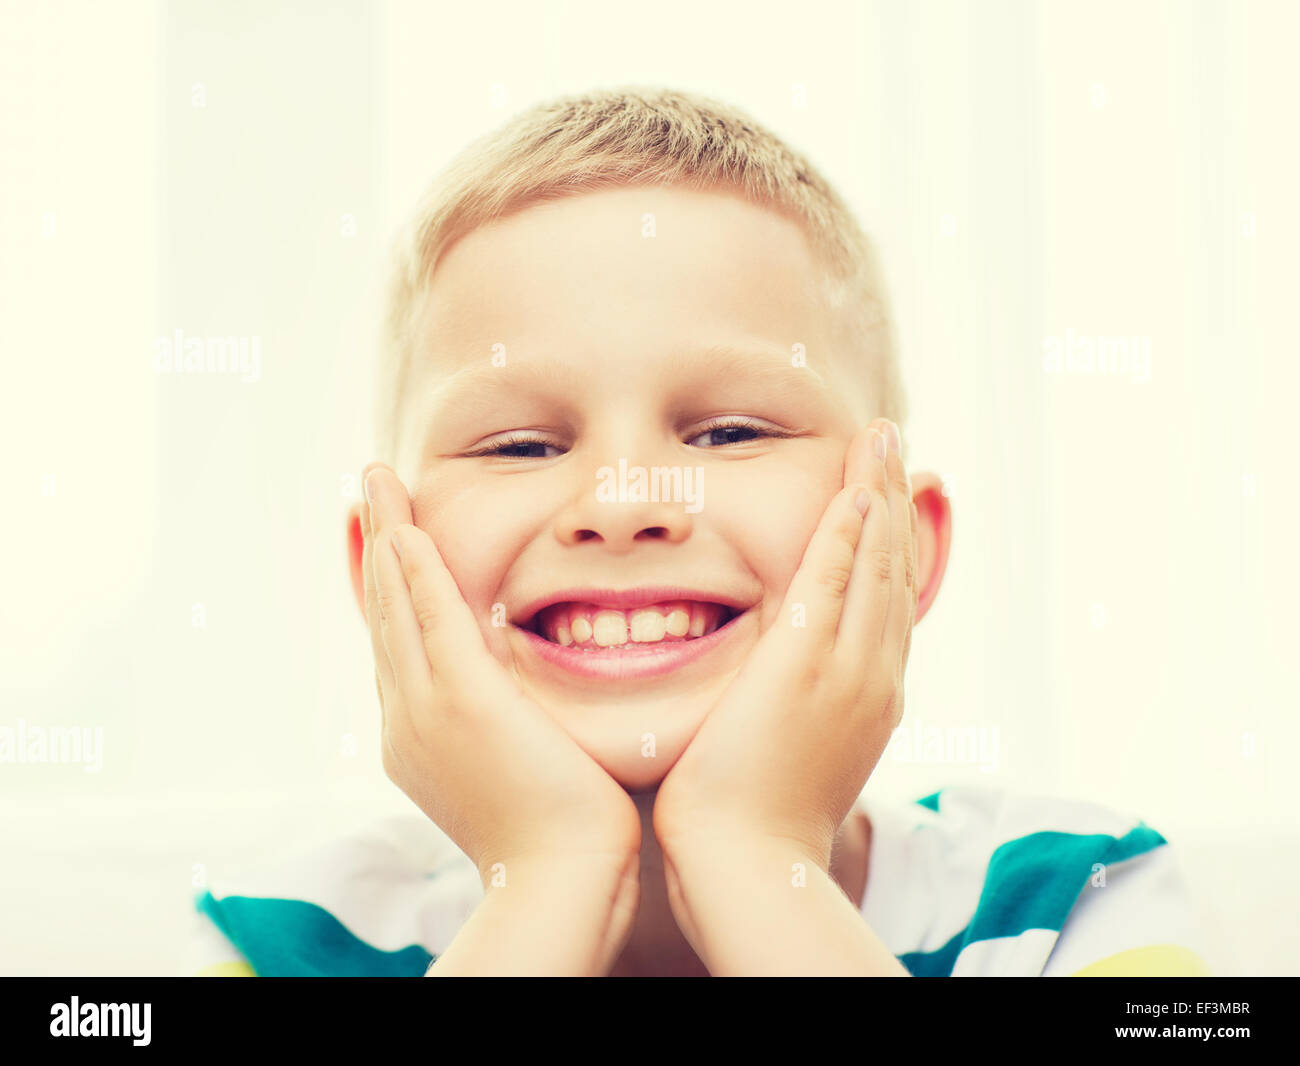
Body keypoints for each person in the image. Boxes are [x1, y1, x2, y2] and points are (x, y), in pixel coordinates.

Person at [188, 86, 1211, 977]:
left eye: (728, 430)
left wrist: (757, 855)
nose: (625, 499)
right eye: (517, 446)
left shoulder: (1074, 894)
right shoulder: (281, 942)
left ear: (906, 541)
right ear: (381, 568)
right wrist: (547, 877)